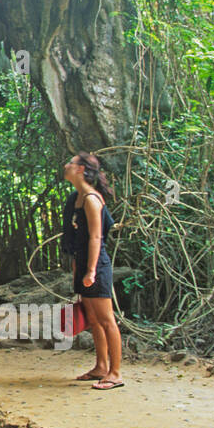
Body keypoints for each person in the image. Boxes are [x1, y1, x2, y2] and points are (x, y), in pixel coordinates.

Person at [62, 152, 123, 390]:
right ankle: (100, 366)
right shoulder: (76, 197)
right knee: (94, 320)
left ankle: (115, 373)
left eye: (71, 162)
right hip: (84, 263)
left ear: (81, 169)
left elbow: (97, 237)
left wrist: (91, 271)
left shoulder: (90, 199)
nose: (66, 165)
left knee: (107, 320)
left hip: (96, 265)